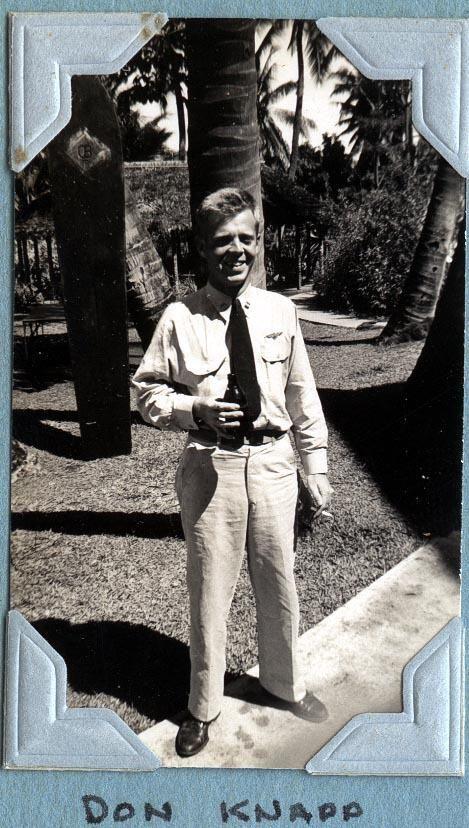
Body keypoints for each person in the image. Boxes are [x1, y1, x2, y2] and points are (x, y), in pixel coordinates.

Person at [133, 188, 333, 758]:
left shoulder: (281, 311)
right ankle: (202, 707)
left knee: (278, 581)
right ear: (203, 247)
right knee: (209, 592)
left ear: (258, 240)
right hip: (210, 468)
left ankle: (284, 685)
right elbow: (145, 392)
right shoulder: (179, 317)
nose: (237, 250)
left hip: (272, 465)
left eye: (247, 237)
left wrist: (314, 466)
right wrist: (192, 409)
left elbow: (302, 395)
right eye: (224, 241)